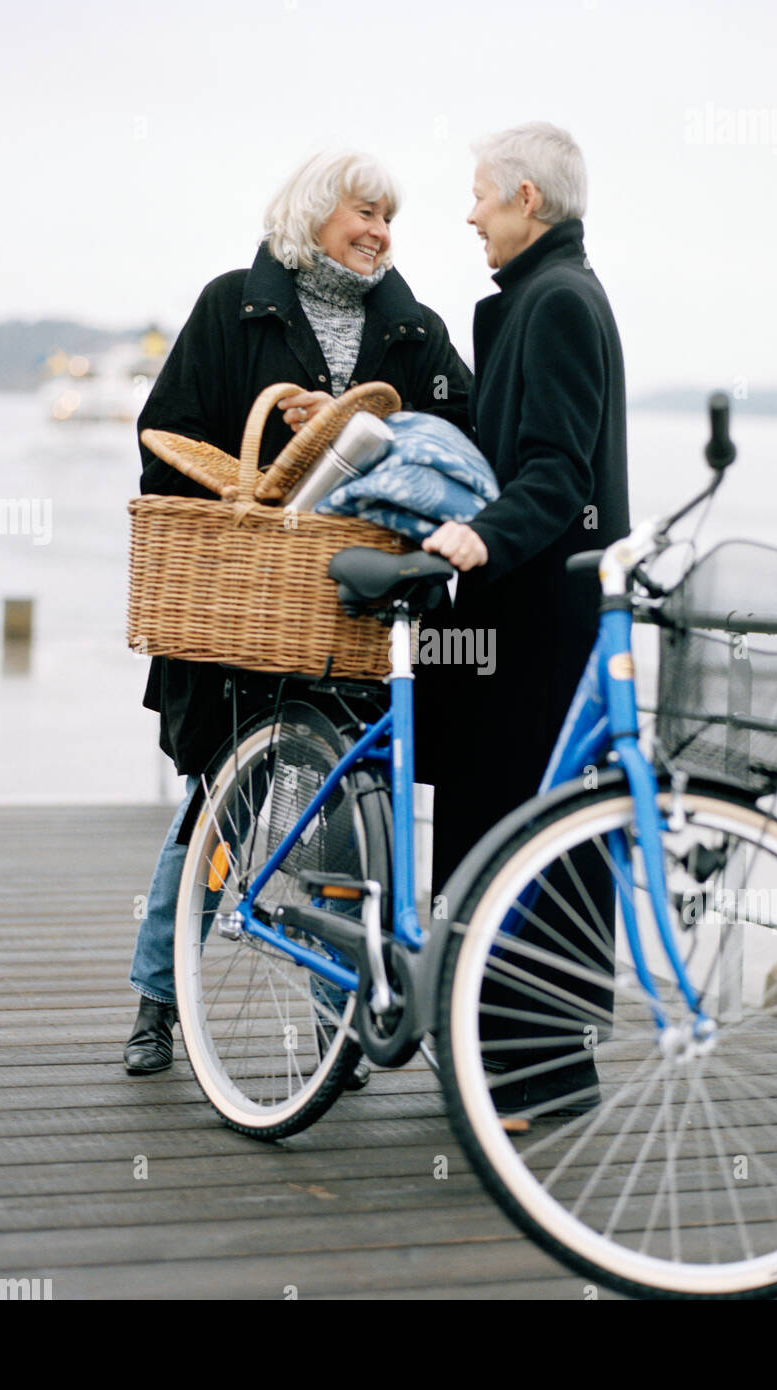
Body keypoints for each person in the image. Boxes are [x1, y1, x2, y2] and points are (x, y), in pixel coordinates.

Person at [125, 151, 472, 1074]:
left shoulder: (415, 330)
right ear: (316, 213)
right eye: (365, 212)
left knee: (344, 830)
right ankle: (157, 1004)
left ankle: (337, 1027)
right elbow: (164, 438)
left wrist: (374, 440)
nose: (380, 233)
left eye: (389, 219)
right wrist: (256, 487)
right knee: (215, 811)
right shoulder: (232, 303)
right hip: (245, 603)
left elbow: (463, 440)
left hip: (355, 616)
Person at [417, 122, 630, 1113]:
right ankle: (522, 1067)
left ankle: (526, 1070)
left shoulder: (553, 303)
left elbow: (556, 471)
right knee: (534, 839)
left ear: (524, 202)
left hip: (531, 631)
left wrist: (480, 539)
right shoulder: (547, 297)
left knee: (514, 839)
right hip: (533, 624)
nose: (469, 214)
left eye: (479, 197)